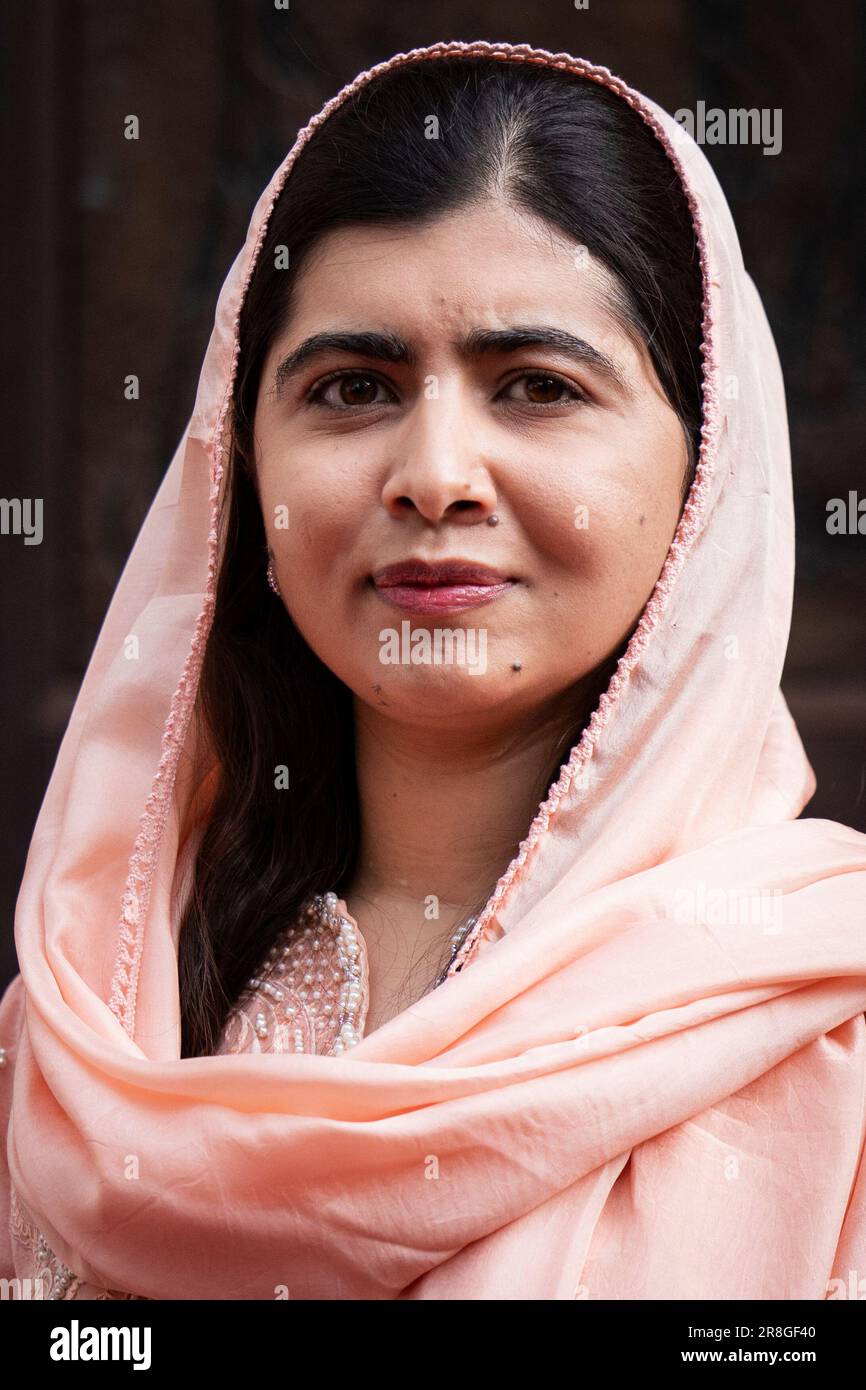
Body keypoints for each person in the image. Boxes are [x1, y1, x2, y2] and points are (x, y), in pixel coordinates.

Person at [1, 38, 864, 1302]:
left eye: (535, 387)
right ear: (241, 469)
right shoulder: (74, 1046)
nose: (436, 474)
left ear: (708, 464)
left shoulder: (819, 1040)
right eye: (352, 388)